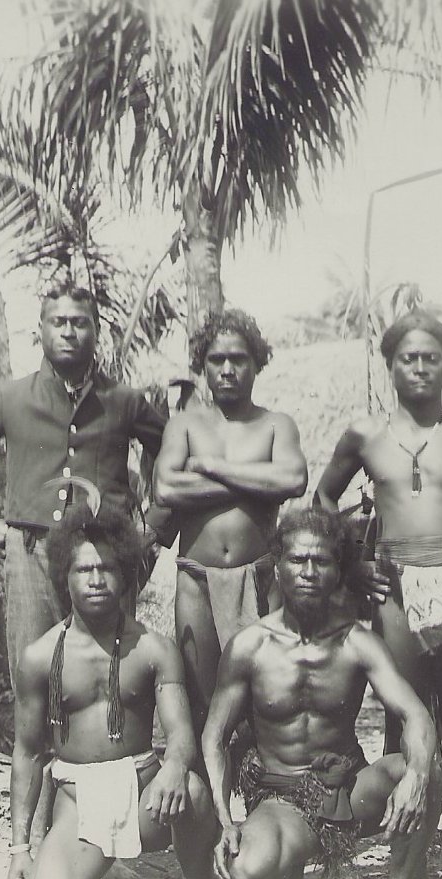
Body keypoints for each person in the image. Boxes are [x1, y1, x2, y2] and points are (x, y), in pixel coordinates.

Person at [314, 309, 442, 879]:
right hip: (396, 596)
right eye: (408, 358)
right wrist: (351, 562)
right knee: (404, 728)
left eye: (432, 358)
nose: (420, 368)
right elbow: (322, 500)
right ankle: (411, 861)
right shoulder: (365, 435)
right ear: (390, 364)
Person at [202, 508, 437, 879]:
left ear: (337, 570)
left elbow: (415, 713)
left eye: (321, 561)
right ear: (277, 565)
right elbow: (214, 736)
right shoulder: (250, 646)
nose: (308, 571)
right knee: (247, 872)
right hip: (282, 796)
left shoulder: (358, 644)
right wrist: (223, 818)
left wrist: (417, 775)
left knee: (424, 767)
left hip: (349, 789)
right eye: (297, 560)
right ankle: (285, 865)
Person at [0, 284, 167, 684]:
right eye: (59, 322)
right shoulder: (13, 397)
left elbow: (180, 458)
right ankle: (34, 750)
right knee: (34, 674)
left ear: (96, 331)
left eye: (80, 323)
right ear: (41, 329)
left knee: (112, 673)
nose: (69, 332)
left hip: (106, 556)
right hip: (31, 556)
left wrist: (153, 526)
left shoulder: (124, 401)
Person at [7, 503, 216, 879]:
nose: (97, 580)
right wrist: (19, 848)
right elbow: (27, 752)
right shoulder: (41, 657)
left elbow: (180, 734)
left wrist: (175, 765)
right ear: (64, 576)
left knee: (192, 791)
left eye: (107, 568)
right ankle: (91, 863)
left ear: (124, 576)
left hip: (143, 795)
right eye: (84, 570)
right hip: (77, 803)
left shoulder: (154, 649)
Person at [154, 309, 307, 738]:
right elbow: (166, 488)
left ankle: (267, 801)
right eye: (216, 359)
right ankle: (207, 804)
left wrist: (209, 467)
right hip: (196, 581)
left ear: (257, 363)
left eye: (238, 359)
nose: (227, 369)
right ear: (202, 364)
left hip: (259, 577)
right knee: (202, 703)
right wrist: (254, 483)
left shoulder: (276, 424)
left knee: (268, 698)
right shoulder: (184, 424)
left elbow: (293, 479)